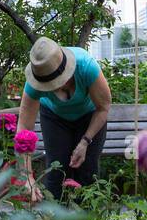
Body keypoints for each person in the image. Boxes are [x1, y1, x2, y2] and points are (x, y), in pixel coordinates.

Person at [16, 37, 112, 202]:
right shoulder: (34, 81)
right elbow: (24, 128)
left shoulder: (86, 66)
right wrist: (27, 177)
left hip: (90, 117)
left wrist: (84, 142)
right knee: (56, 171)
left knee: (87, 173)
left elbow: (103, 107)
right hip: (54, 117)